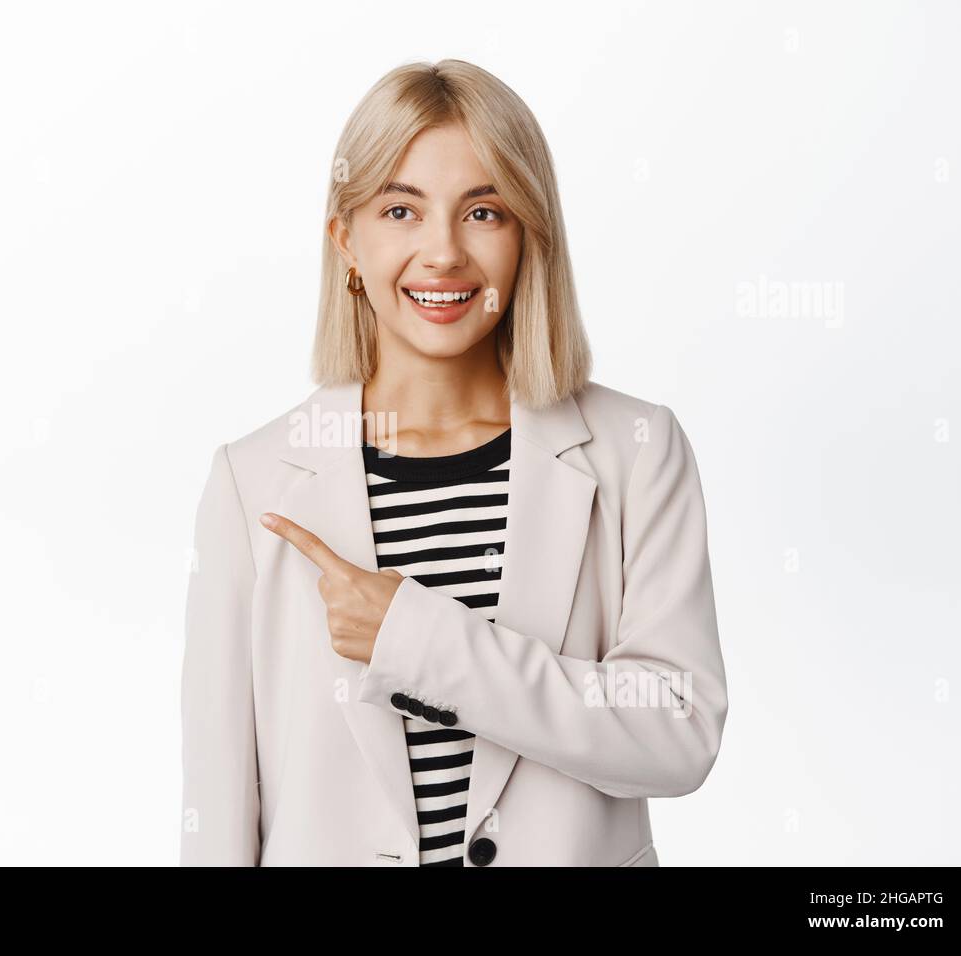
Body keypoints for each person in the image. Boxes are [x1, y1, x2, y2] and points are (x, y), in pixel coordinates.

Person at [181, 59, 727, 866]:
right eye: (401, 209)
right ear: (347, 242)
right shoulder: (250, 482)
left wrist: (416, 639)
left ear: (529, 235)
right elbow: (220, 808)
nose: (443, 254)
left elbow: (678, 733)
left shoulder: (635, 452)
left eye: (483, 211)